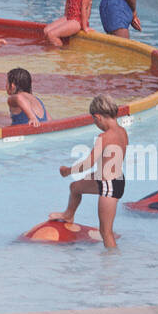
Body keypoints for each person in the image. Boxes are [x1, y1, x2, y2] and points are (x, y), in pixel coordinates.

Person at [50, 94, 128, 247]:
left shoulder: (103, 137)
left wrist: (68, 171)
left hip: (109, 185)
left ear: (98, 117)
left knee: (106, 232)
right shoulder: (122, 131)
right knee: (75, 188)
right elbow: (114, 156)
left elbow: (88, 163)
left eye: (93, 120)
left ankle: (112, 266)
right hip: (113, 178)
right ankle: (68, 215)